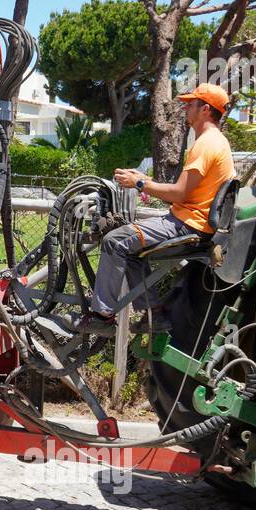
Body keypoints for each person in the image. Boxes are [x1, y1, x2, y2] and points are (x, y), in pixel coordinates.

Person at [77, 83, 235, 335]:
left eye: (190, 104)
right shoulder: (216, 142)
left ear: (206, 110)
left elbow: (180, 194)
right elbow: (187, 192)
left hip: (188, 224)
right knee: (131, 249)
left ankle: (102, 317)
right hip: (194, 222)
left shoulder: (206, 144)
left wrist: (139, 183)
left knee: (115, 241)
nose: (185, 108)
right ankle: (154, 315)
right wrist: (145, 181)